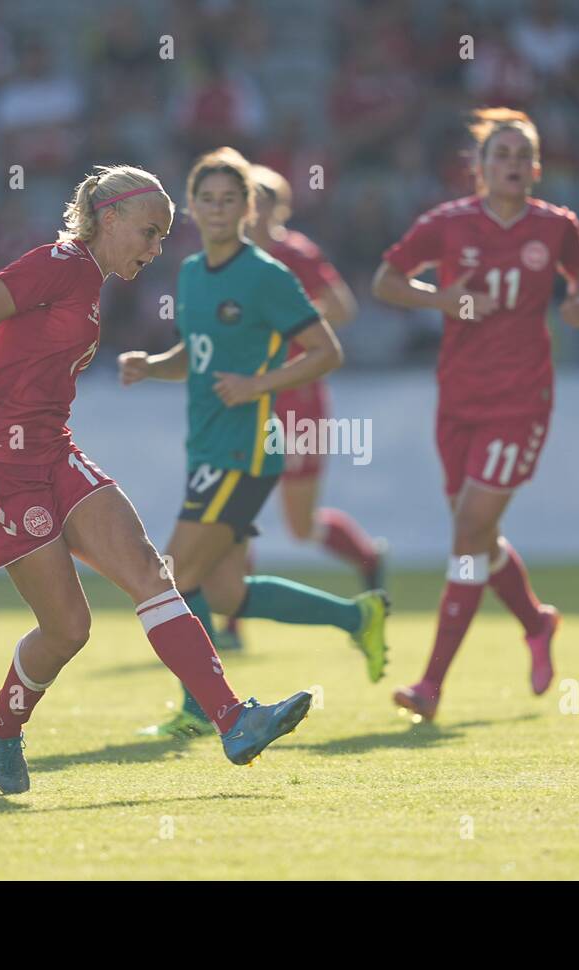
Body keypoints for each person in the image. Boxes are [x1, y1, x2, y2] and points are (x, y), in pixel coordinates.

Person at [0, 164, 313, 794]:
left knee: (150, 572)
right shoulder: (57, 263)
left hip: (54, 455)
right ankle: (2, 721)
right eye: (149, 232)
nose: (156, 248)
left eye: (163, 236)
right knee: (69, 629)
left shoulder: (89, 277)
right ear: (108, 219)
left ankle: (233, 719)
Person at [118, 148, 390, 738]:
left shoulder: (267, 275)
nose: (217, 210)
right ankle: (357, 615)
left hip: (243, 453)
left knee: (170, 575)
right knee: (227, 593)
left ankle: (202, 710)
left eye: (229, 199)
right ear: (190, 207)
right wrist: (152, 364)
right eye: (206, 199)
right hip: (208, 448)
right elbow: (195, 356)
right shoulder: (191, 274)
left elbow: (327, 351)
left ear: (248, 207)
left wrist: (257, 385)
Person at [371, 108, 579, 721]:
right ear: (479, 167)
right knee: (479, 535)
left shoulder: (554, 227)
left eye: (524, 157)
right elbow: (387, 281)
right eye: (502, 156)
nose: (513, 166)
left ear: (537, 169)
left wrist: (576, 301)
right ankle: (536, 620)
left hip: (520, 403)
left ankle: (431, 685)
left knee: (469, 530)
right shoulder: (447, 225)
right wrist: (445, 299)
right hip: (458, 402)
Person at [208, 164, 386, 654]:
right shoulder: (229, 259)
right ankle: (232, 623)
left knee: (301, 526)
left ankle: (369, 560)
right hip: (246, 400)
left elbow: (344, 308)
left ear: (276, 206)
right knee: (233, 507)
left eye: (261, 199)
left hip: (298, 400)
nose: (251, 208)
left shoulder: (295, 254)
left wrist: (293, 318)